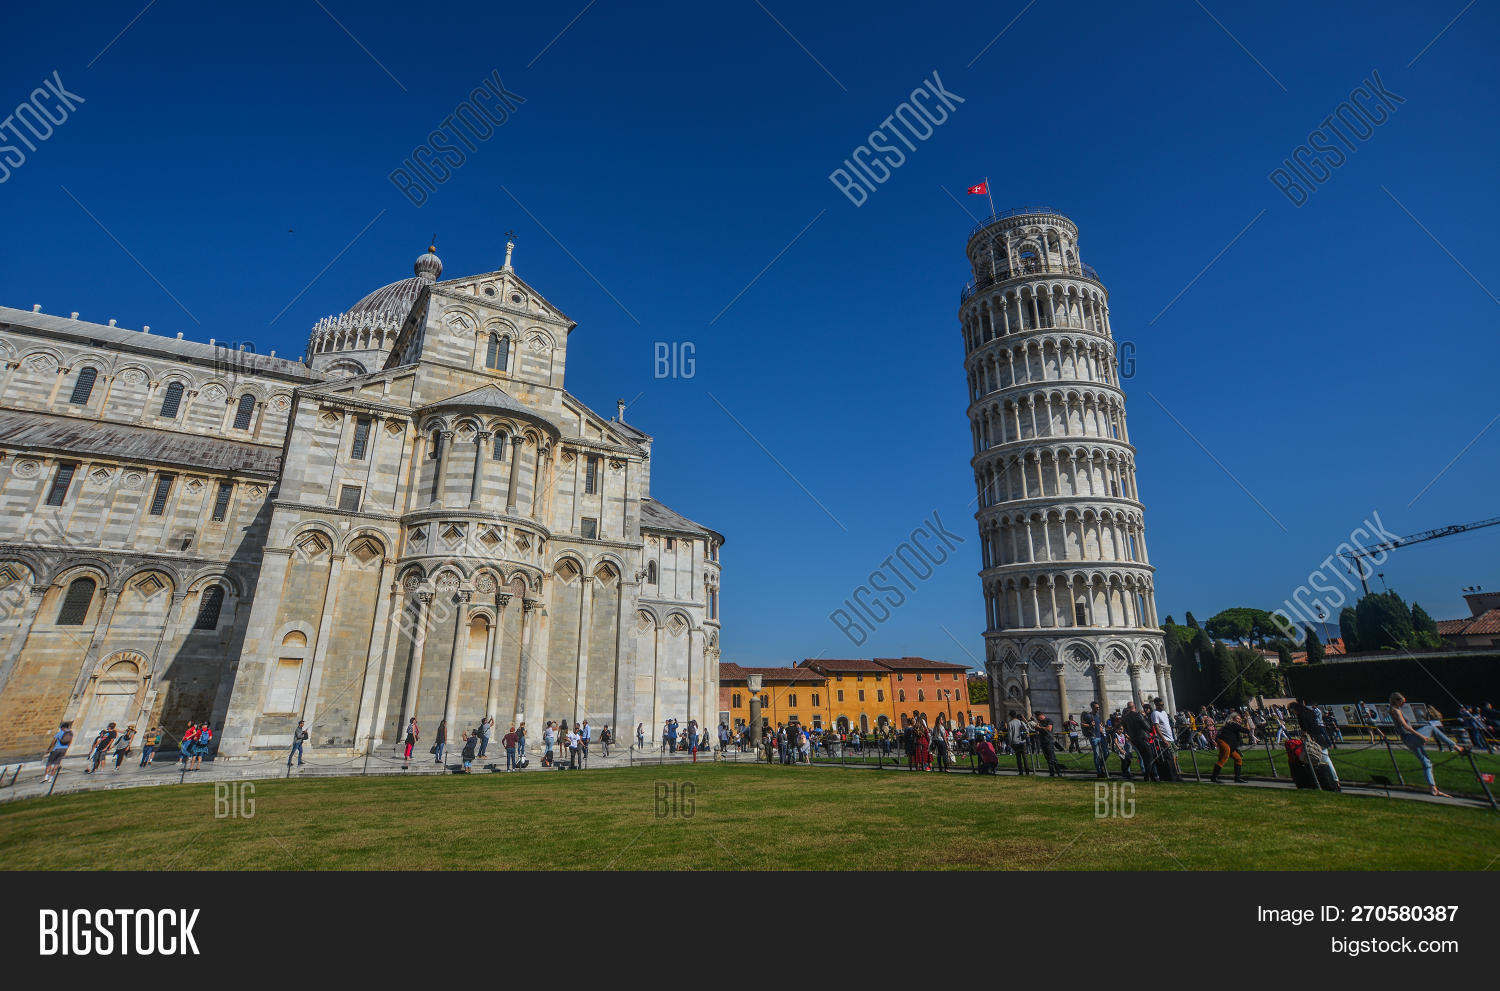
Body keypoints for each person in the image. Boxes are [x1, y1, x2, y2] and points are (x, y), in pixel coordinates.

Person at [1390, 692, 1454, 797]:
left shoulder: (1396, 710)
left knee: (1426, 763)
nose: (1403, 704)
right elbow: (1406, 727)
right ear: (1396, 701)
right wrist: (1420, 737)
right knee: (1431, 728)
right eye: (1402, 702)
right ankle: (1453, 745)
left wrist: (1418, 739)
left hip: (1409, 739)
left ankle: (1433, 789)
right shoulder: (1396, 711)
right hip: (1409, 738)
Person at [1121, 702, 1157, 782]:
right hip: (1142, 738)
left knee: (1145, 757)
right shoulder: (1138, 715)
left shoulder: (1125, 718)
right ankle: (1148, 776)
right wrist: (1145, 717)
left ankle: (1149, 776)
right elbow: (1148, 727)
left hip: (1134, 740)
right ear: (1135, 707)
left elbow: (1125, 729)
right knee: (1150, 757)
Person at [1211, 711, 1249, 783]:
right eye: (1237, 718)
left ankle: (1237, 778)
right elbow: (1246, 730)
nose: (1239, 720)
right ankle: (1214, 777)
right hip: (1224, 742)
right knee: (1224, 758)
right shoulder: (1233, 724)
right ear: (1233, 719)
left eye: (1239, 718)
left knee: (1238, 759)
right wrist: (1247, 722)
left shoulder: (1232, 725)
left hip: (1229, 745)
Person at [1082, 701, 1108, 779]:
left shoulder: (1097, 716)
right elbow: (1082, 724)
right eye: (1097, 707)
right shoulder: (1088, 716)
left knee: (1106, 752)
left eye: (1099, 707)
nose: (1098, 708)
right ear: (1093, 707)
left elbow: (1099, 725)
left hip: (1100, 736)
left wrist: (1102, 731)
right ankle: (1099, 771)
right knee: (1096, 754)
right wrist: (1090, 725)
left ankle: (1101, 766)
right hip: (1093, 737)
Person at [1006, 710, 1031, 775]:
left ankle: (1021, 771)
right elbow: (1027, 730)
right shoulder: (1021, 722)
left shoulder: (1010, 723)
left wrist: (1010, 742)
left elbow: (1010, 734)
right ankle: (1027, 771)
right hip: (1023, 741)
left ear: (1010, 716)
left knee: (1018, 757)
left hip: (1015, 742)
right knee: (1025, 757)